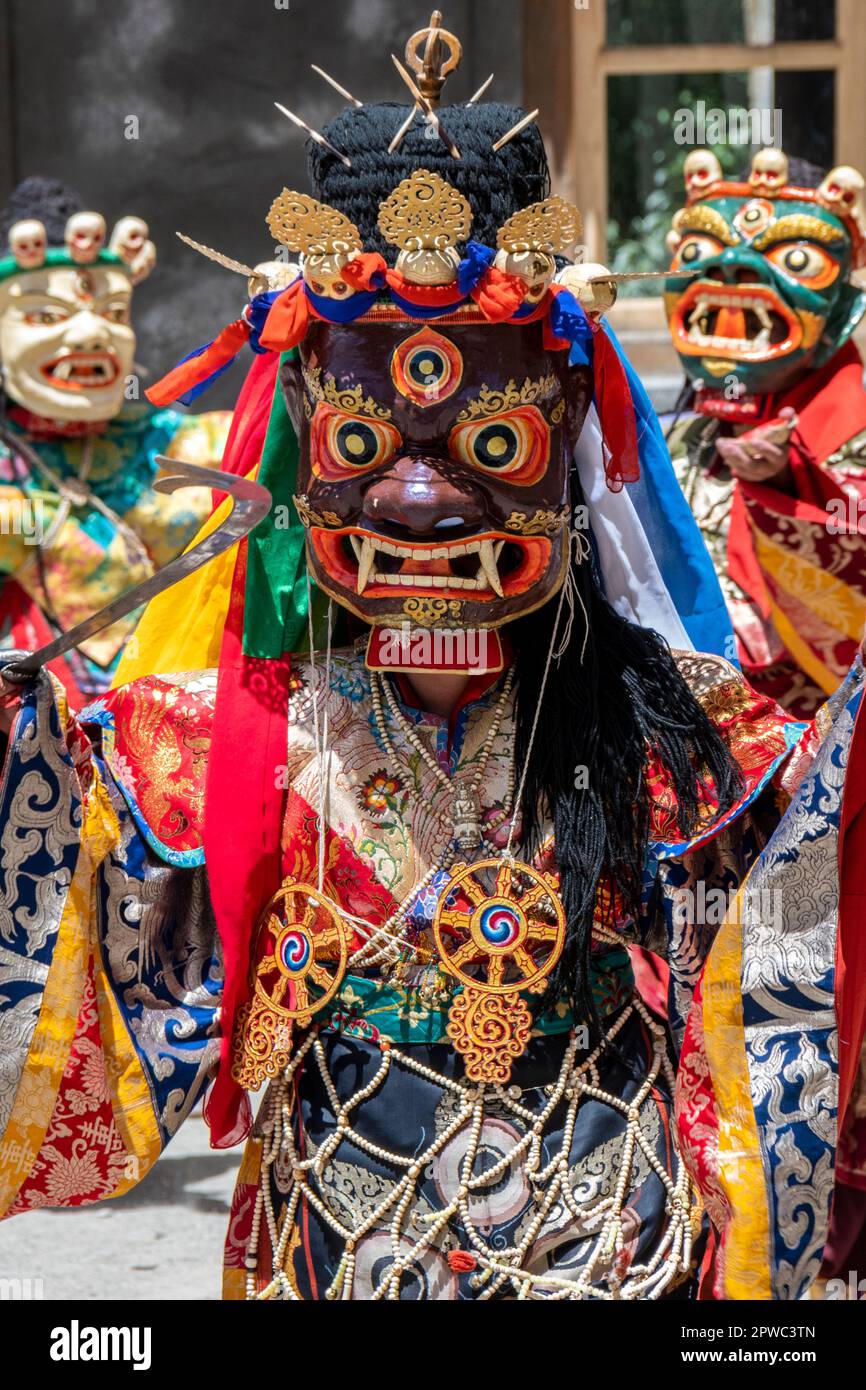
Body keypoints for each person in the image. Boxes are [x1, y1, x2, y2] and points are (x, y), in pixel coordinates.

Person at [0, 17, 862, 1302]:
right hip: (331, 1237)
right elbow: (82, 975)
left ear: (565, 443)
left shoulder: (693, 736)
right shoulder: (211, 739)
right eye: (364, 447)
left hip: (610, 1237)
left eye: (491, 448)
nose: (419, 501)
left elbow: (793, 954)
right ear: (303, 445)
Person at [0, 177, 230, 704]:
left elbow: (274, 441)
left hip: (170, 716)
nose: (91, 335)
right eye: (45, 316)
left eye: (113, 313)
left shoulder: (180, 445)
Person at [664, 148, 866, 716]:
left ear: (840, 308)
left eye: (796, 259)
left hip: (817, 740)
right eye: (700, 251)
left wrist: (788, 485)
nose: (733, 271)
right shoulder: (675, 442)